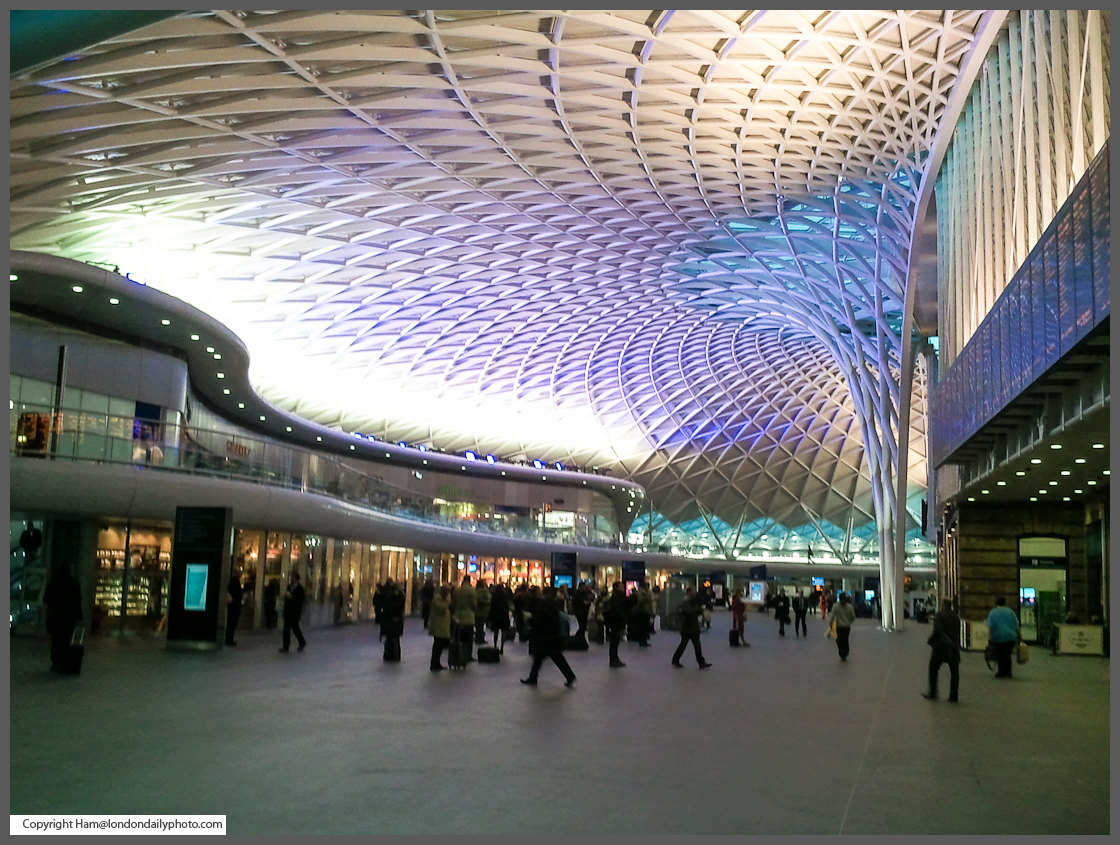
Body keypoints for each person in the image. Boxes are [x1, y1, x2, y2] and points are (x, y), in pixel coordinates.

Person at [520, 587, 576, 687]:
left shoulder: (543, 606)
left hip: (545, 637)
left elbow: (537, 620)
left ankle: (533, 678)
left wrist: (529, 619)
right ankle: (569, 676)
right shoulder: (553, 605)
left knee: (542, 658)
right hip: (553, 636)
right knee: (554, 657)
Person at [43, 565, 83, 673]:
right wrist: (79, 616)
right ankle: (65, 661)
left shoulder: (54, 584)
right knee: (66, 640)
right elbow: (78, 601)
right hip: (69, 618)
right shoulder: (75, 584)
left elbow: (46, 599)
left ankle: (56, 662)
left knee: (56, 641)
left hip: (56, 617)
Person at [923, 599, 961, 702]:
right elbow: (958, 632)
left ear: (943, 605)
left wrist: (930, 641)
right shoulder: (956, 617)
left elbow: (937, 631)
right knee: (954, 672)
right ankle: (954, 695)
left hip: (940, 647)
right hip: (953, 647)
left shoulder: (939, 616)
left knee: (933, 669)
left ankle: (933, 692)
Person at [671, 586, 712, 669]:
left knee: (696, 646)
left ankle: (701, 662)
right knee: (684, 645)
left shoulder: (695, 601)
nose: (695, 592)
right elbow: (689, 610)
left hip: (693, 627)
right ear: (689, 592)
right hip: (687, 627)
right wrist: (699, 609)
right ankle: (676, 659)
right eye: (693, 591)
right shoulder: (686, 601)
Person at [985, 596, 1021, 678]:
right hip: (1011, 636)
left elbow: (990, 626)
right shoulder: (1010, 612)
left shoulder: (993, 612)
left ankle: (1001, 672)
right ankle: (1008, 672)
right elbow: (1016, 625)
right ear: (1005, 603)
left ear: (996, 603)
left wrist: (989, 638)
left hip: (998, 637)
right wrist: (1020, 636)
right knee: (1007, 655)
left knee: (1000, 655)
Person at [451, 575, 477, 662]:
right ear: (469, 581)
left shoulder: (457, 590)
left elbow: (453, 604)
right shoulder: (471, 591)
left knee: (458, 636)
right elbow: (473, 604)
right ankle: (468, 655)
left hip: (458, 616)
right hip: (468, 617)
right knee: (469, 638)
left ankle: (458, 654)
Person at [279, 571, 307, 652]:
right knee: (286, 629)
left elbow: (299, 601)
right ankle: (286, 646)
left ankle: (302, 642)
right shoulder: (289, 587)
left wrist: (291, 598)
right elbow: (286, 597)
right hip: (288, 611)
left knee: (295, 628)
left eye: (293, 578)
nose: (291, 579)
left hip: (295, 612)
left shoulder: (300, 589)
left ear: (296, 579)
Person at [602, 581, 628, 668]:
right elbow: (617, 610)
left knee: (616, 641)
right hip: (615, 622)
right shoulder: (616, 598)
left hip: (616, 621)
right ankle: (613, 660)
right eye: (621, 586)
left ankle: (615, 658)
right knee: (614, 641)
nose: (623, 588)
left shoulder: (618, 597)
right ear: (616, 588)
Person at [379, 577, 406, 661]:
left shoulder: (389, 594)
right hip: (396, 618)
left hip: (390, 619)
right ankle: (395, 655)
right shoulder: (400, 594)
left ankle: (389, 654)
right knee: (395, 638)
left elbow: (385, 605)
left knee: (390, 638)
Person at [428, 584, 453, 671]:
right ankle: (434, 663)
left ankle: (436, 662)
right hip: (438, 625)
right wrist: (448, 601)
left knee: (440, 645)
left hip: (443, 625)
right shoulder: (438, 599)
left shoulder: (443, 598)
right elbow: (442, 608)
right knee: (438, 645)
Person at [827, 592, 856, 661]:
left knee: (840, 640)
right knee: (845, 640)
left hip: (839, 626)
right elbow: (853, 617)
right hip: (846, 626)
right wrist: (849, 622)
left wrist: (831, 625)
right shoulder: (850, 607)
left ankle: (842, 653)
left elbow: (832, 617)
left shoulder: (836, 606)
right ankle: (845, 652)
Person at [632, 582, 655, 647]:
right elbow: (640, 600)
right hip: (642, 611)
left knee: (645, 627)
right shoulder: (640, 592)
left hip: (647, 611)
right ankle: (642, 641)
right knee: (642, 627)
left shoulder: (647, 592)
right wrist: (648, 597)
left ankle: (644, 641)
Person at [225, 571, 244, 646]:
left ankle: (229, 639)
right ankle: (229, 639)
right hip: (234, 606)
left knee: (230, 623)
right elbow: (237, 594)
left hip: (232, 606)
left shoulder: (232, 582)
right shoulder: (235, 582)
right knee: (232, 623)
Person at [474, 578, 491, 645]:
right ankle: (480, 639)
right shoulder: (483, 591)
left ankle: (478, 638)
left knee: (478, 626)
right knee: (480, 626)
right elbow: (487, 599)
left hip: (477, 611)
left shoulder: (475, 591)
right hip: (482, 611)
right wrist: (488, 602)